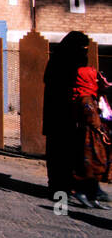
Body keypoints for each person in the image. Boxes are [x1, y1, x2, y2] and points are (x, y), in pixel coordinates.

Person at [43, 31, 91, 200]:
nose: (84, 51)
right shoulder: (64, 63)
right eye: (82, 48)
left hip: (62, 117)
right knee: (60, 154)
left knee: (63, 153)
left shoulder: (58, 60)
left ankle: (63, 187)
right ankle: (59, 189)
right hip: (61, 116)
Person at [69, 68, 111, 209]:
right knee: (89, 165)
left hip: (92, 137)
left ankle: (93, 196)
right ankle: (81, 192)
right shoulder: (85, 97)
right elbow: (90, 117)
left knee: (94, 167)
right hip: (89, 138)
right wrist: (100, 129)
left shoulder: (89, 95)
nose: (97, 80)